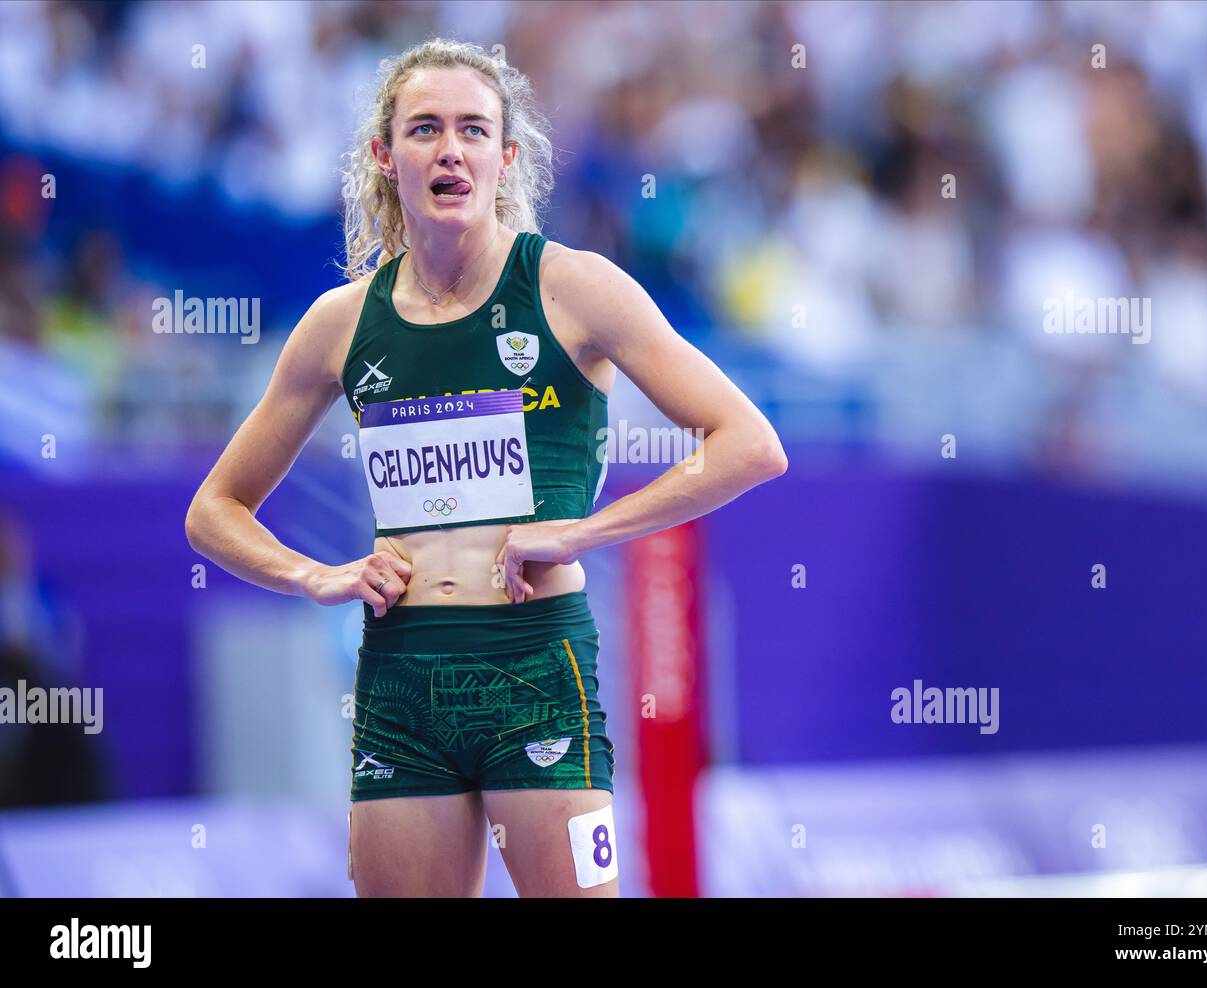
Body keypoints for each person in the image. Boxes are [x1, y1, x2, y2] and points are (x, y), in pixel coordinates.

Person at [185, 37, 786, 898]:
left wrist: (586, 531)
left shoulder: (574, 289)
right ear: (384, 158)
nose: (449, 149)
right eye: (424, 129)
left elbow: (749, 442)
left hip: (535, 667)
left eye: (473, 129)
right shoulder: (339, 323)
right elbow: (214, 509)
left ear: (505, 158)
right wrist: (311, 575)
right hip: (402, 676)